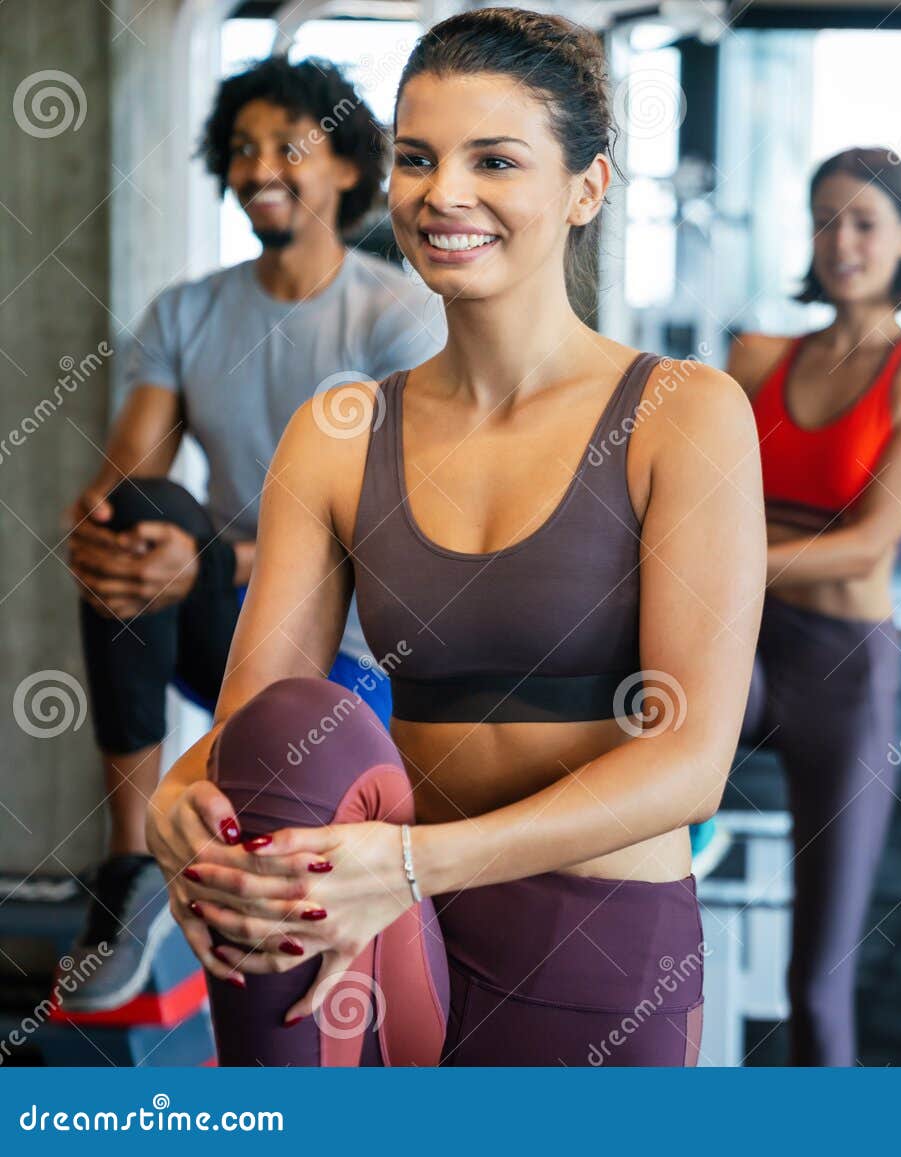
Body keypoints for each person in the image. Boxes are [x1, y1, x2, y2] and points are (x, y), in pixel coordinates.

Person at [142, 6, 763, 1066]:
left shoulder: (683, 413)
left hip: (595, 953)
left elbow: (690, 761)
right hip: (378, 932)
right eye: (418, 158)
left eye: (495, 160)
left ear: (587, 189)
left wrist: (417, 862)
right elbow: (259, 718)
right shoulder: (341, 432)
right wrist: (170, 799)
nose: (445, 194)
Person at [58, 56, 444, 1012]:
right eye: (241, 149)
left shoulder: (398, 317)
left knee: (175, 535)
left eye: (289, 146)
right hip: (222, 633)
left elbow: (395, 528)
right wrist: (98, 533)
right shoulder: (186, 312)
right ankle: (130, 868)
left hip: (352, 659)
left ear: (349, 167)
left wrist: (212, 556)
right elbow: (126, 481)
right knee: (141, 517)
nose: (260, 166)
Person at [727, 147, 901, 1065]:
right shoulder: (754, 359)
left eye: (865, 221)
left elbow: (873, 543)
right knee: (624, 816)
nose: (843, 240)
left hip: (841, 669)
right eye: (825, 218)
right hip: (736, 649)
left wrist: (719, 568)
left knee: (817, 977)